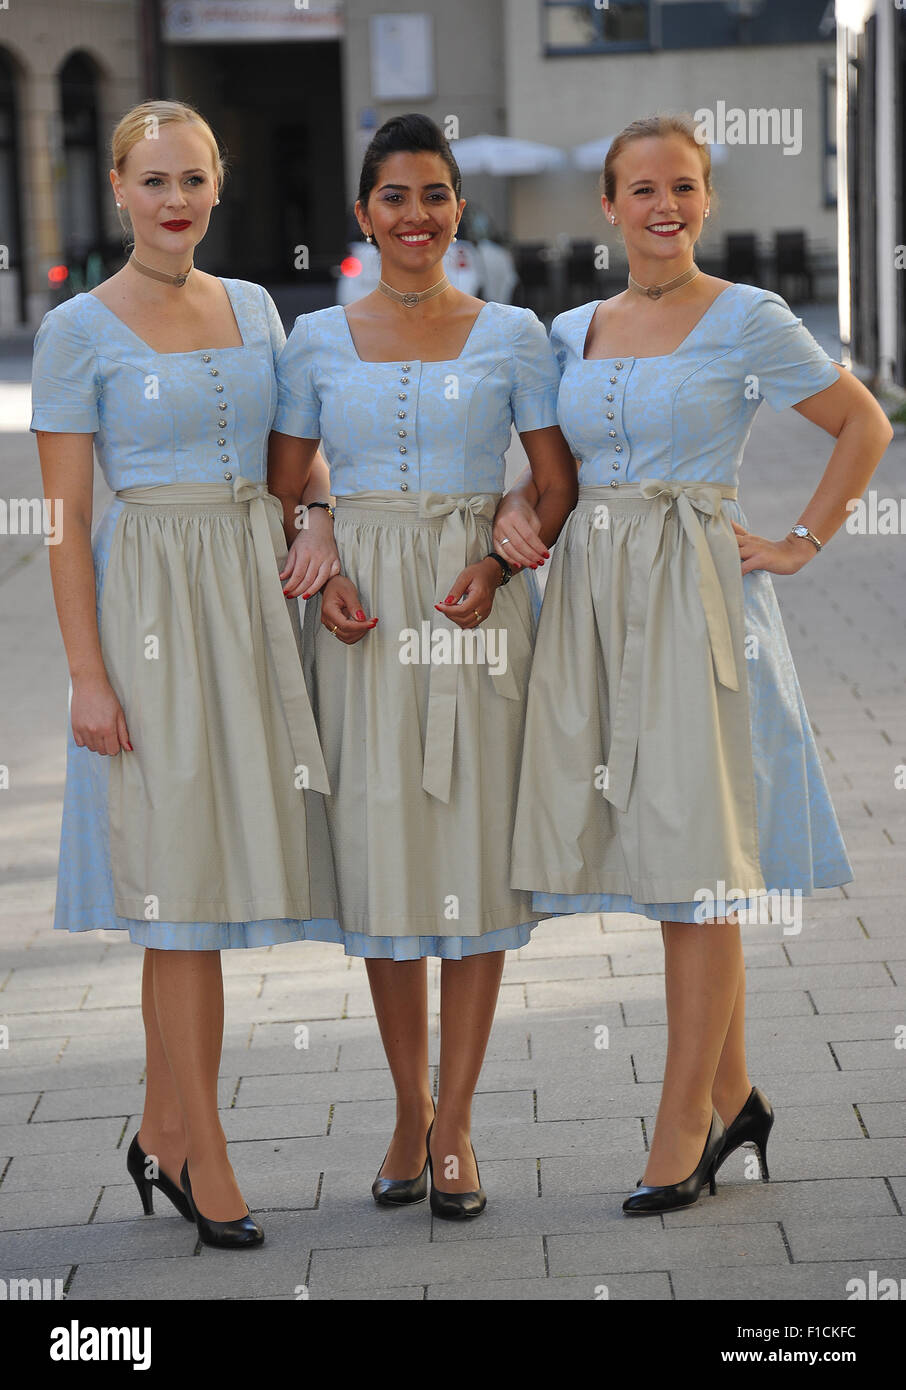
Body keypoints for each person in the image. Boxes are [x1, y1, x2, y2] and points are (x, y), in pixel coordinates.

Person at [499, 114, 893, 1215]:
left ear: (705, 201)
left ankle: (685, 1127)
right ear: (611, 206)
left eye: (683, 186)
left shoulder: (751, 318)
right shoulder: (568, 331)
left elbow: (863, 425)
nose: (663, 204)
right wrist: (508, 512)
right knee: (666, 854)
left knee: (699, 868)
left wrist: (802, 540)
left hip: (703, 600)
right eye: (642, 188)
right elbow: (542, 470)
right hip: (596, 603)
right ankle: (743, 1097)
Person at [32, 99, 337, 1249]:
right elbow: (63, 523)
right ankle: (205, 1157)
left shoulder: (257, 306)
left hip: (249, 603)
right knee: (177, 898)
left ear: (219, 185)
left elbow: (296, 458)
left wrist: (318, 516)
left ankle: (163, 1133)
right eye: (153, 181)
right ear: (118, 190)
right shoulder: (77, 330)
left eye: (193, 179)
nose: (176, 201)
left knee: (205, 878)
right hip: (148, 604)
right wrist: (87, 676)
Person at [269, 113, 577, 1219]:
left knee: (476, 856)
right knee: (382, 852)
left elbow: (552, 479)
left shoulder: (513, 335)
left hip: (474, 606)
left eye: (435, 195)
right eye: (395, 197)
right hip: (359, 614)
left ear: (458, 210)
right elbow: (288, 476)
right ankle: (409, 1105)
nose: (417, 216)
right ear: (363, 216)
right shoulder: (312, 341)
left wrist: (499, 553)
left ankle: (458, 1124)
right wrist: (318, 528)